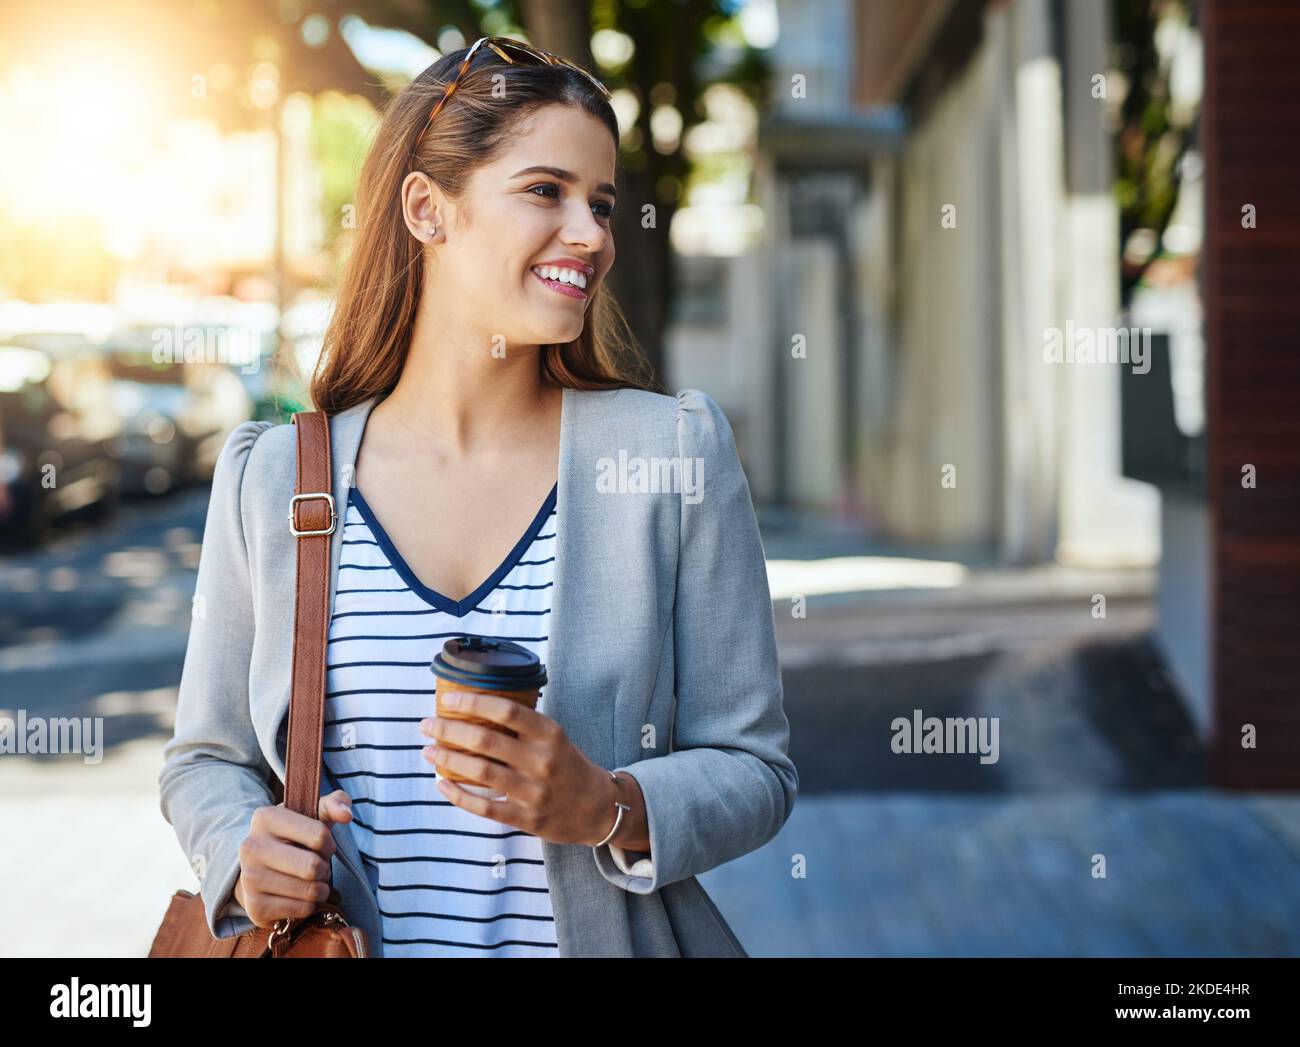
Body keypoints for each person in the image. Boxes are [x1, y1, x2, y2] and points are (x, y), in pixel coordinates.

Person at [158, 36, 797, 958]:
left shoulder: (669, 454)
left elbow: (756, 767)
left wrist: (607, 805)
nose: (592, 235)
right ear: (428, 208)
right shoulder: (275, 479)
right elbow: (207, 760)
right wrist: (240, 851)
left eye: (602, 204)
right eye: (547, 191)